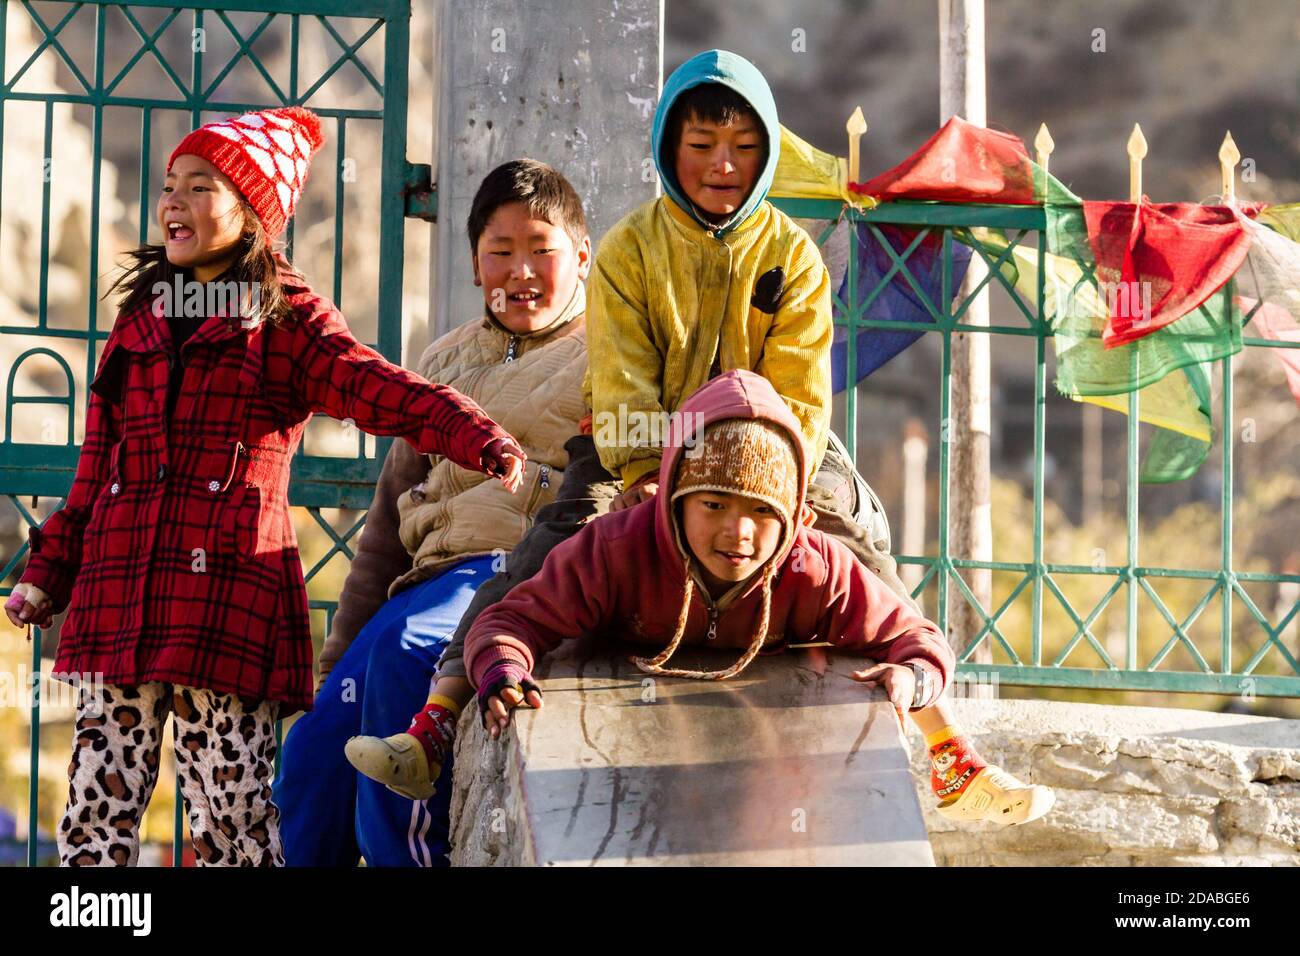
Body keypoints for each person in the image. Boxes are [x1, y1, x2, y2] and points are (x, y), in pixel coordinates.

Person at [352, 50, 1054, 825]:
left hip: (776, 444)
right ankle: (440, 717)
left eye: (745, 148)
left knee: (857, 543)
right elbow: (621, 380)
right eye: (702, 145)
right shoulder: (627, 251)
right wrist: (653, 472)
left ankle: (944, 748)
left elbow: (802, 391)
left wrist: (773, 481)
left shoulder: (791, 254)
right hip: (636, 439)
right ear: (667, 148)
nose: (723, 165)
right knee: (545, 551)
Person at [4, 106, 524, 867]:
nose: (173, 202)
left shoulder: (286, 317)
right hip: (122, 601)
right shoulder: (141, 316)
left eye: (200, 186)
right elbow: (96, 468)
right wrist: (49, 572)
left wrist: (471, 432)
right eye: (169, 186)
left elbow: (376, 387)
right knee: (94, 812)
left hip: (227, 604)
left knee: (235, 820)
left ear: (252, 210)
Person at [464, 372, 1047, 827]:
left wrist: (913, 678)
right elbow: (513, 618)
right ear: (673, 500)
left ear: (795, 518)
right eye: (713, 505)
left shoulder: (814, 566)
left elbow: (916, 637)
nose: (737, 533)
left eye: (762, 512)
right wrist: (504, 665)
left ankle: (955, 765)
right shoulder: (617, 548)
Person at [274, 159, 592, 866]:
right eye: (499, 252)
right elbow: (388, 526)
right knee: (315, 751)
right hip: (420, 585)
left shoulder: (603, 355)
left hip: (511, 572)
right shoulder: (444, 359)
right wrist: (336, 657)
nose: (521, 270)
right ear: (476, 265)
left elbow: (605, 493)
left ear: (581, 255)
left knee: (406, 655)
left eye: (541, 249)